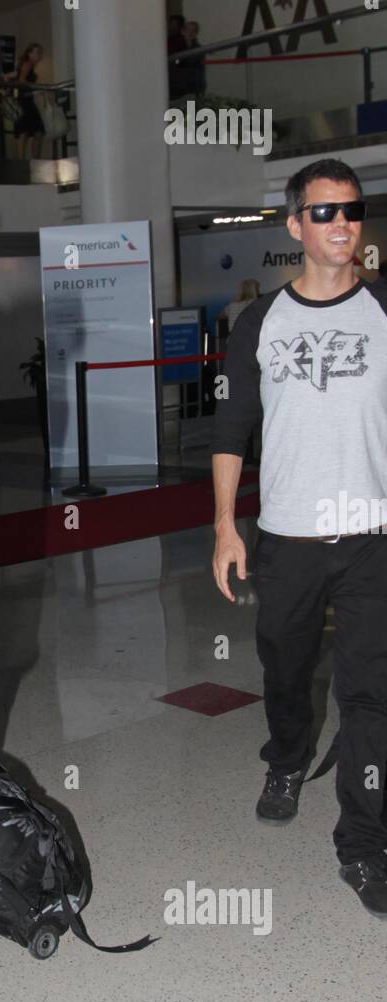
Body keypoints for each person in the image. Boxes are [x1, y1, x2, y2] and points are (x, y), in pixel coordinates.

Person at [212, 157, 387, 916]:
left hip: (373, 535)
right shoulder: (261, 322)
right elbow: (231, 428)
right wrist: (224, 524)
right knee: (286, 669)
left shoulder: (385, 310)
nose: (341, 223)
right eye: (323, 212)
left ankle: (365, 842)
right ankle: (285, 758)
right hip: (285, 536)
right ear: (294, 225)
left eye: (350, 209)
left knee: (370, 695)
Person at [4, 43, 45, 160]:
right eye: (37, 53)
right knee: (36, 130)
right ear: (29, 53)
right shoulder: (28, 64)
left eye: (40, 53)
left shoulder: (23, 65)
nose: (39, 56)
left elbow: (7, 77)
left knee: (25, 131)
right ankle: (34, 160)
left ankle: (23, 161)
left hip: (22, 100)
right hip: (25, 101)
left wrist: (9, 86)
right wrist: (35, 88)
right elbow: (22, 80)